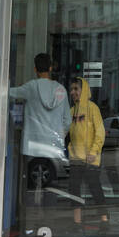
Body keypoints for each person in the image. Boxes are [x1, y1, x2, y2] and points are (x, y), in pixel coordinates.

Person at [9, 52, 71, 191]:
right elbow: (67, 120)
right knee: (49, 182)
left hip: (32, 145)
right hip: (52, 146)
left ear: (35, 69)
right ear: (50, 68)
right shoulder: (61, 90)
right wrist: (59, 136)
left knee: (29, 181)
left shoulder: (31, 87)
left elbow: (8, 93)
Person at [67, 77, 109, 230]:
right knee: (74, 190)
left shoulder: (92, 108)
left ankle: (104, 220)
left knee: (95, 189)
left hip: (91, 158)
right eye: (71, 89)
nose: (73, 92)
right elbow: (65, 131)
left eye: (76, 89)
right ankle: (76, 222)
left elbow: (100, 132)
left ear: (83, 90)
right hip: (75, 158)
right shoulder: (72, 111)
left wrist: (94, 151)